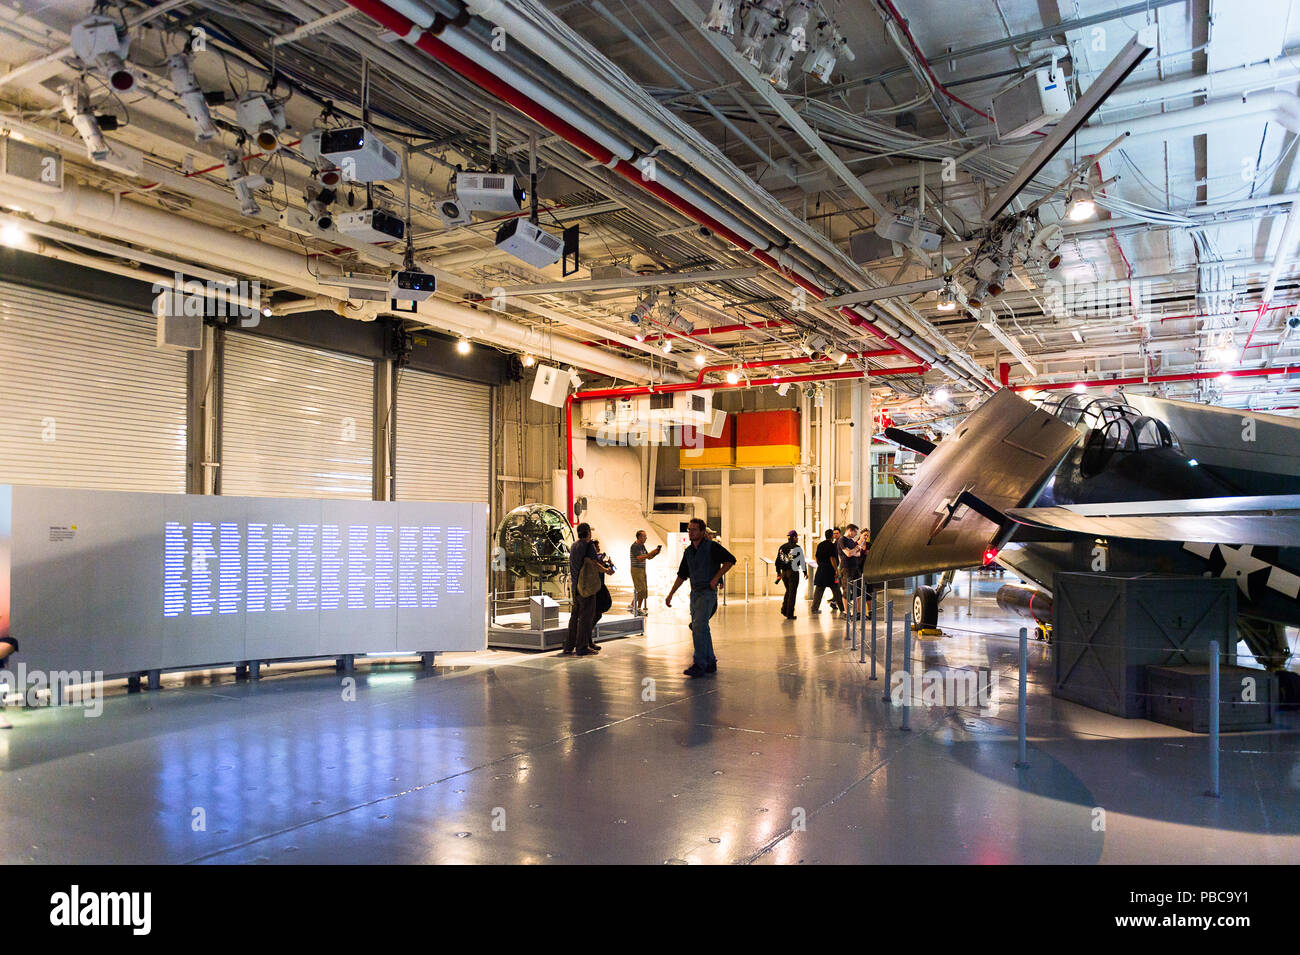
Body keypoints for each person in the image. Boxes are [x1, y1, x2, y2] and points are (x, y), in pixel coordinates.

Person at [665, 518, 735, 678]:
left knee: (698, 626)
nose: (691, 532)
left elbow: (730, 560)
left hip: (707, 594)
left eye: (694, 530)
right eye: (689, 529)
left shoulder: (712, 547)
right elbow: (682, 574)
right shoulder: (689, 552)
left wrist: (716, 578)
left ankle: (700, 663)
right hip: (695, 593)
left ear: (702, 532)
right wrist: (670, 594)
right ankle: (710, 661)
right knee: (701, 627)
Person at [564, 522, 613, 656]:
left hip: (575, 587)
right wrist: (606, 570)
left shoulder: (574, 546)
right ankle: (582, 647)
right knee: (586, 618)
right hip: (586, 588)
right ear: (588, 533)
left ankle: (569, 645)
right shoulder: (588, 545)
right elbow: (594, 563)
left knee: (574, 617)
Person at [839, 524, 868, 622]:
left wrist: (854, 551)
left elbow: (858, 554)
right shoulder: (842, 540)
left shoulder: (851, 541)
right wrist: (855, 549)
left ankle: (858, 612)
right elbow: (848, 553)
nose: (856, 534)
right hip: (846, 568)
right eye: (855, 532)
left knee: (859, 588)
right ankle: (846, 613)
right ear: (850, 530)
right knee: (847, 589)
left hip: (855, 567)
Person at [628, 530, 662, 616]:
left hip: (642, 569)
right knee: (640, 589)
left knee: (643, 590)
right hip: (636, 569)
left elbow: (648, 557)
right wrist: (650, 554)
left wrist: (655, 553)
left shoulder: (642, 546)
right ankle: (635, 607)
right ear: (639, 537)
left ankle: (635, 606)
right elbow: (639, 558)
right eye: (644, 536)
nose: (646, 538)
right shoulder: (635, 546)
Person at [811, 529, 844, 614]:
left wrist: (821, 566)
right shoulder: (832, 546)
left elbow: (817, 558)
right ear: (832, 536)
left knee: (819, 590)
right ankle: (842, 609)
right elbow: (832, 558)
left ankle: (814, 608)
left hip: (821, 570)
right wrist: (836, 570)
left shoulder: (820, 545)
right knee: (836, 590)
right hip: (830, 571)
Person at [774, 530, 806, 619]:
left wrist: (778, 572)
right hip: (793, 572)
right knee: (792, 593)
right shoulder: (797, 548)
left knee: (788, 591)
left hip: (784, 573)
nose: (798, 539)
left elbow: (778, 561)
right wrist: (805, 572)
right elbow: (802, 561)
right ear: (794, 537)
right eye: (797, 537)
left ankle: (784, 610)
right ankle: (789, 614)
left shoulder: (782, 547)